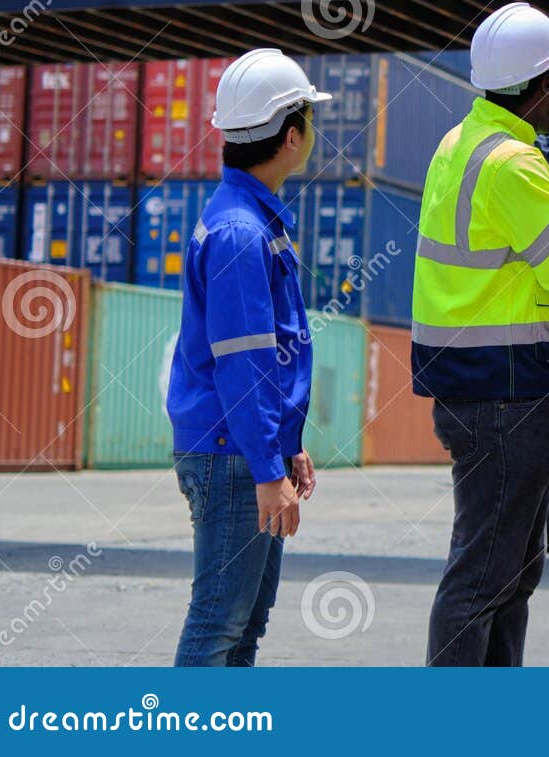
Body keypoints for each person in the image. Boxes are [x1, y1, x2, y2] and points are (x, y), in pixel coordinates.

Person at [413, 2, 549, 667]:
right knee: (484, 579)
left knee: (510, 576)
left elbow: (525, 231)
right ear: (545, 87)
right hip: (507, 396)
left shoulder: (465, 142)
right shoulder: (512, 166)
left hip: (481, 388)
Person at [166, 48, 332, 666]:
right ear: (292, 136)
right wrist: (266, 470)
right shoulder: (241, 232)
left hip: (247, 449)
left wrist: (285, 441)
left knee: (244, 627)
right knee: (218, 625)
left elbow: (262, 358)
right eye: (310, 120)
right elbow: (243, 364)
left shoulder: (248, 219)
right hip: (232, 455)